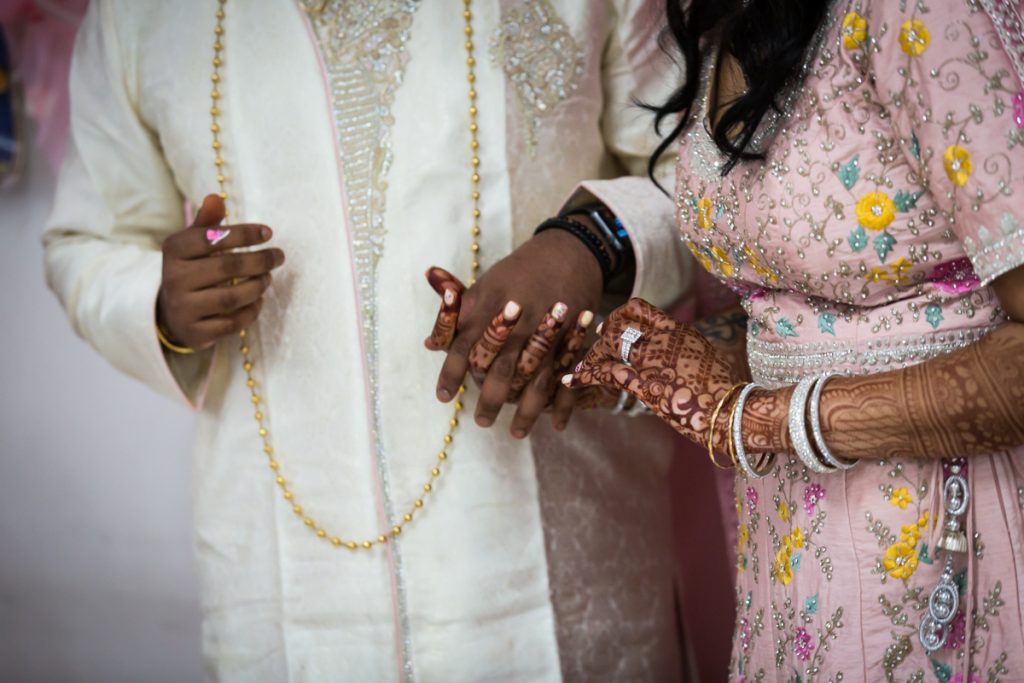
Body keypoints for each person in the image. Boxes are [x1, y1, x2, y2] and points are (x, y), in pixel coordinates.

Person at [43, 0, 694, 680]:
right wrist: (160, 301)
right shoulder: (139, 17)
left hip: (561, 563)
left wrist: (591, 242)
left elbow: (709, 184)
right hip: (286, 575)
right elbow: (86, 240)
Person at [566, 0, 1024, 679]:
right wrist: (636, 365)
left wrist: (757, 419)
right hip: (793, 560)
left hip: (944, 557)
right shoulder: (730, 17)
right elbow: (819, 322)